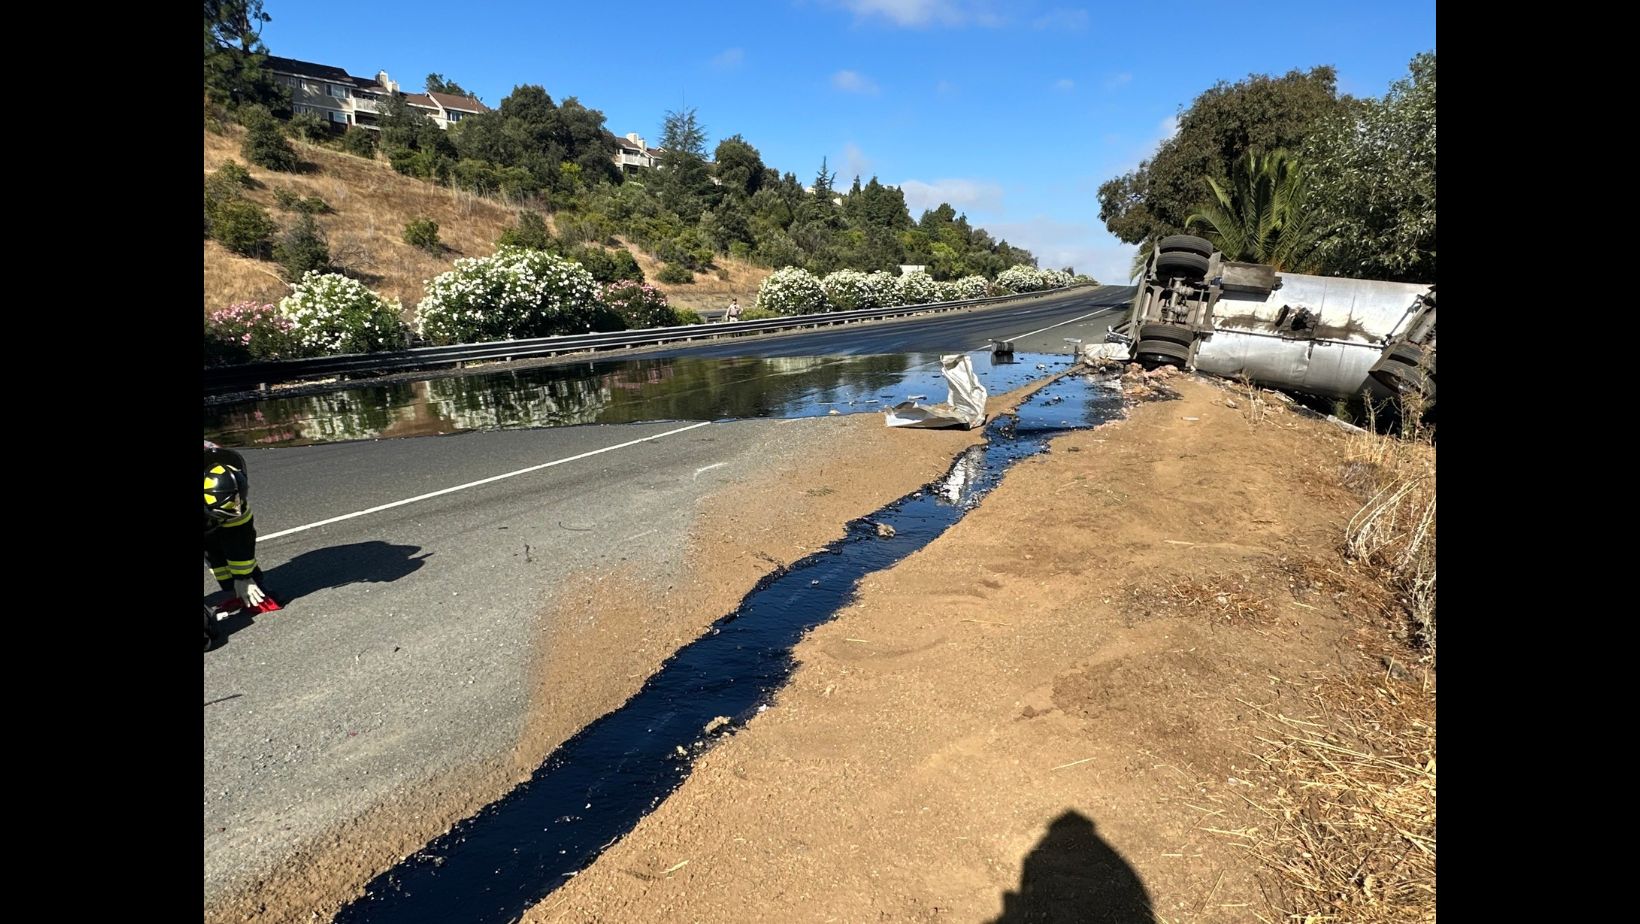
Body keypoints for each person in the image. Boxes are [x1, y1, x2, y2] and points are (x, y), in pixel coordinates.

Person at [204, 441, 278, 614]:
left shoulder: (226, 476)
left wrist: (243, 577)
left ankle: (244, 589)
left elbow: (240, 537)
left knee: (225, 536)